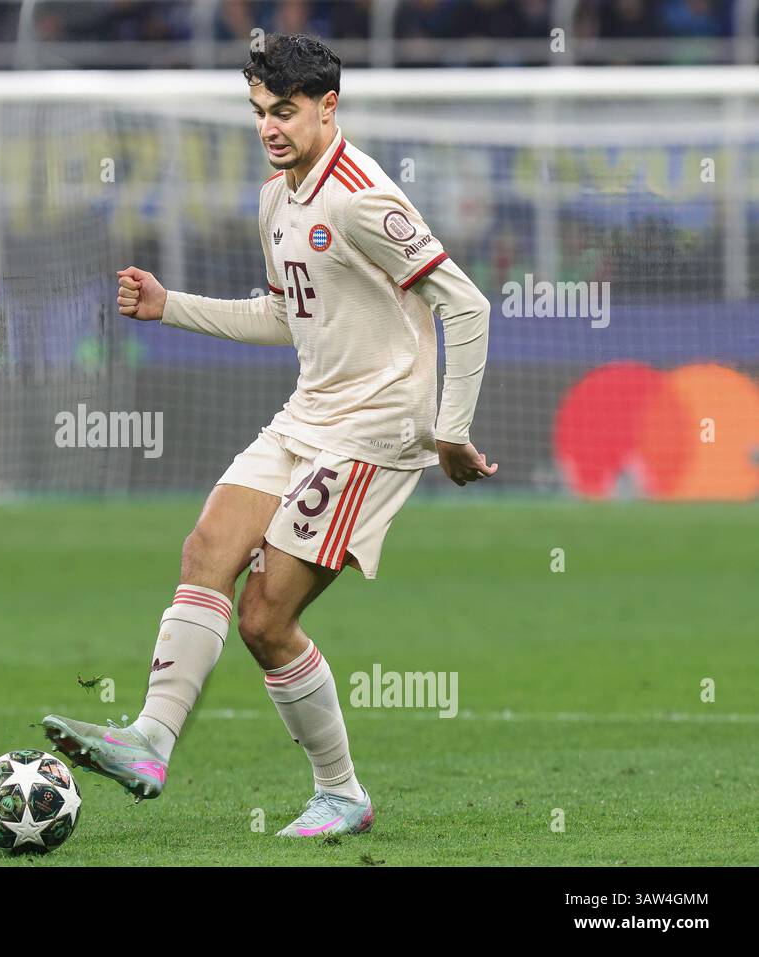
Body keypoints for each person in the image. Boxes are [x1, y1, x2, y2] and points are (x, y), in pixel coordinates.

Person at [42, 33, 495, 838]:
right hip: (308, 412)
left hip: (374, 431)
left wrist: (449, 431)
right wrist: (169, 304)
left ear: (328, 106)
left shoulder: (362, 198)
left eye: (284, 111)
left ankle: (342, 793)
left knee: (263, 618)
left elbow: (467, 303)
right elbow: (284, 317)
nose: (269, 127)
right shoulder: (275, 198)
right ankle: (150, 739)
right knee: (207, 547)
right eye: (258, 112)